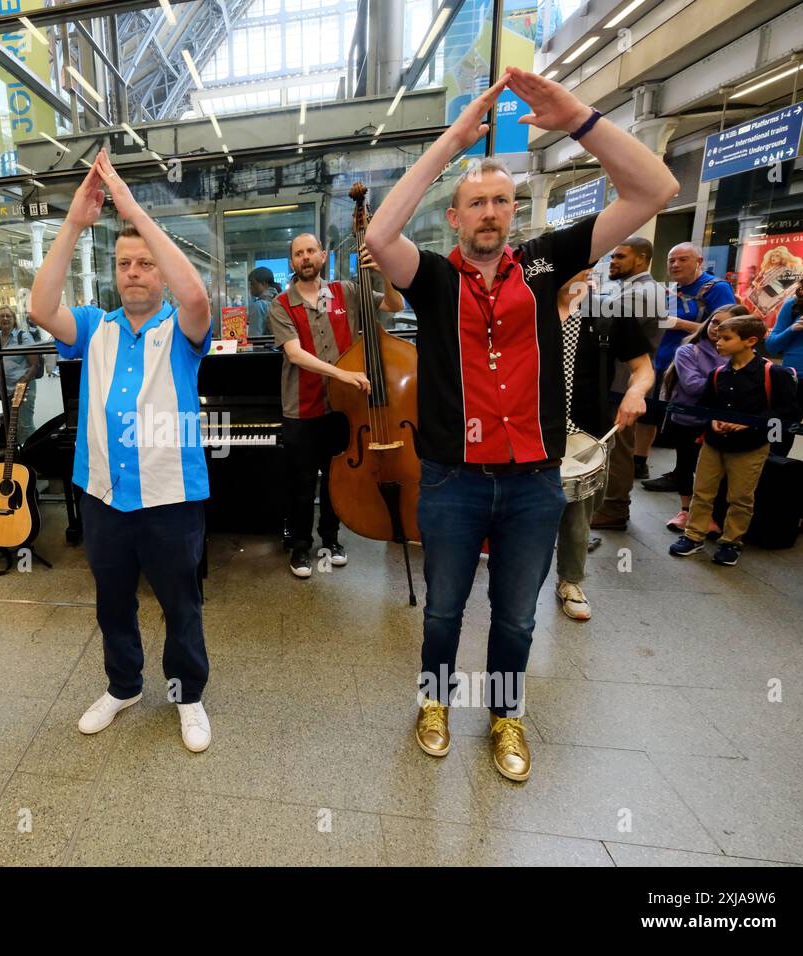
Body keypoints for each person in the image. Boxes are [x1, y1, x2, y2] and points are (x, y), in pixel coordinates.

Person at [363, 67, 678, 782]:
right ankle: (433, 701)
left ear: (514, 210)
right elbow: (381, 234)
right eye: (476, 203)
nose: (490, 213)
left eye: (501, 201)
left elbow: (656, 190)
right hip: (452, 480)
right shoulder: (435, 279)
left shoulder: (546, 262)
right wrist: (453, 142)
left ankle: (506, 715)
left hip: (534, 480)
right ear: (456, 214)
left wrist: (576, 118)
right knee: (442, 611)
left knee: (516, 618)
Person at [29, 150, 214, 754]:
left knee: (180, 604)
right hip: (105, 495)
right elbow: (39, 307)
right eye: (123, 264)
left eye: (144, 264)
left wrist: (132, 209)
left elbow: (196, 295)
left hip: (171, 497)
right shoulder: (94, 326)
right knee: (112, 603)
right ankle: (124, 685)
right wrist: (76, 223)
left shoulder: (182, 330)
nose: (134, 272)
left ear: (157, 273)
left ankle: (188, 693)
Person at [269, 232, 402, 578]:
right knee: (301, 484)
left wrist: (383, 274)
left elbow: (394, 305)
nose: (306, 257)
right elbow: (295, 354)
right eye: (298, 253)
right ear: (292, 262)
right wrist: (342, 374)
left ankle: (330, 540)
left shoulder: (347, 292)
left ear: (323, 255)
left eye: (311, 251)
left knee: (334, 479)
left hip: (342, 410)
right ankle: (300, 546)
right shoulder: (281, 304)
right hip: (301, 410)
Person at [554, 268, 653, 620]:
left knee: (577, 514)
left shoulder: (608, 313)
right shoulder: (527, 308)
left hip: (584, 430)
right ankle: (516, 583)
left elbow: (643, 368)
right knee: (521, 512)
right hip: (526, 429)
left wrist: (636, 391)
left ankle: (570, 579)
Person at [669, 314, 797, 565]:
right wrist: (712, 420)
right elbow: (706, 405)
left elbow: (786, 411)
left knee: (740, 497)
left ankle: (732, 541)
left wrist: (749, 423)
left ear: (750, 341)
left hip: (751, 446)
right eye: (719, 336)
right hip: (714, 442)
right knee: (702, 491)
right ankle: (694, 535)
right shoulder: (719, 373)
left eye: (727, 338)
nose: (719, 341)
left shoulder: (774, 373)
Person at [639, 243, 736, 490]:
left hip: (696, 365)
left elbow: (726, 330)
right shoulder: (670, 289)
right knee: (649, 412)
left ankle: (686, 476)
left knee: (688, 421)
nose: (675, 265)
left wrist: (681, 324)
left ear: (699, 261)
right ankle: (640, 461)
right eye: (672, 260)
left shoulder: (716, 289)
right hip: (662, 360)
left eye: (683, 260)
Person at [587, 235, 667, 529]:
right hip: (616, 381)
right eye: (612, 256)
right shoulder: (631, 289)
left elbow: (616, 333)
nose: (613, 261)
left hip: (622, 383)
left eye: (620, 256)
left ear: (642, 259)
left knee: (617, 448)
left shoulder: (642, 293)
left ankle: (614, 508)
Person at [766, 244, 803, 537]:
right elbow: (773, 345)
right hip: (793, 381)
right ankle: (765, 504)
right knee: (776, 440)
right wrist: (795, 330)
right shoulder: (797, 302)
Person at [659, 307, 730, 534]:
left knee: (716, 471)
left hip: (722, 422)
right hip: (687, 419)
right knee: (685, 465)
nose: (716, 329)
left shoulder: (738, 355)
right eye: (714, 322)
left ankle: (709, 514)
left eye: (724, 325)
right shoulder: (689, 350)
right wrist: (732, 381)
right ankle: (686, 510)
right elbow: (692, 385)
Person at [0, 305, 43, 445]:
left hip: (23, 387)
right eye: (1, 316)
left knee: (25, 426)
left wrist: (22, 383)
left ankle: (35, 456)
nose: (5, 319)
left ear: (14, 319)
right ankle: (21, 459)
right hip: (6, 389)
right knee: (13, 428)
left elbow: (35, 364)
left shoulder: (23, 337)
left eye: (8, 316)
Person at [247, 267, 280, 338]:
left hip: (263, 348)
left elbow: (254, 337)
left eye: (253, 284)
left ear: (264, 283)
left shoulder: (259, 305)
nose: (250, 287)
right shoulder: (279, 300)